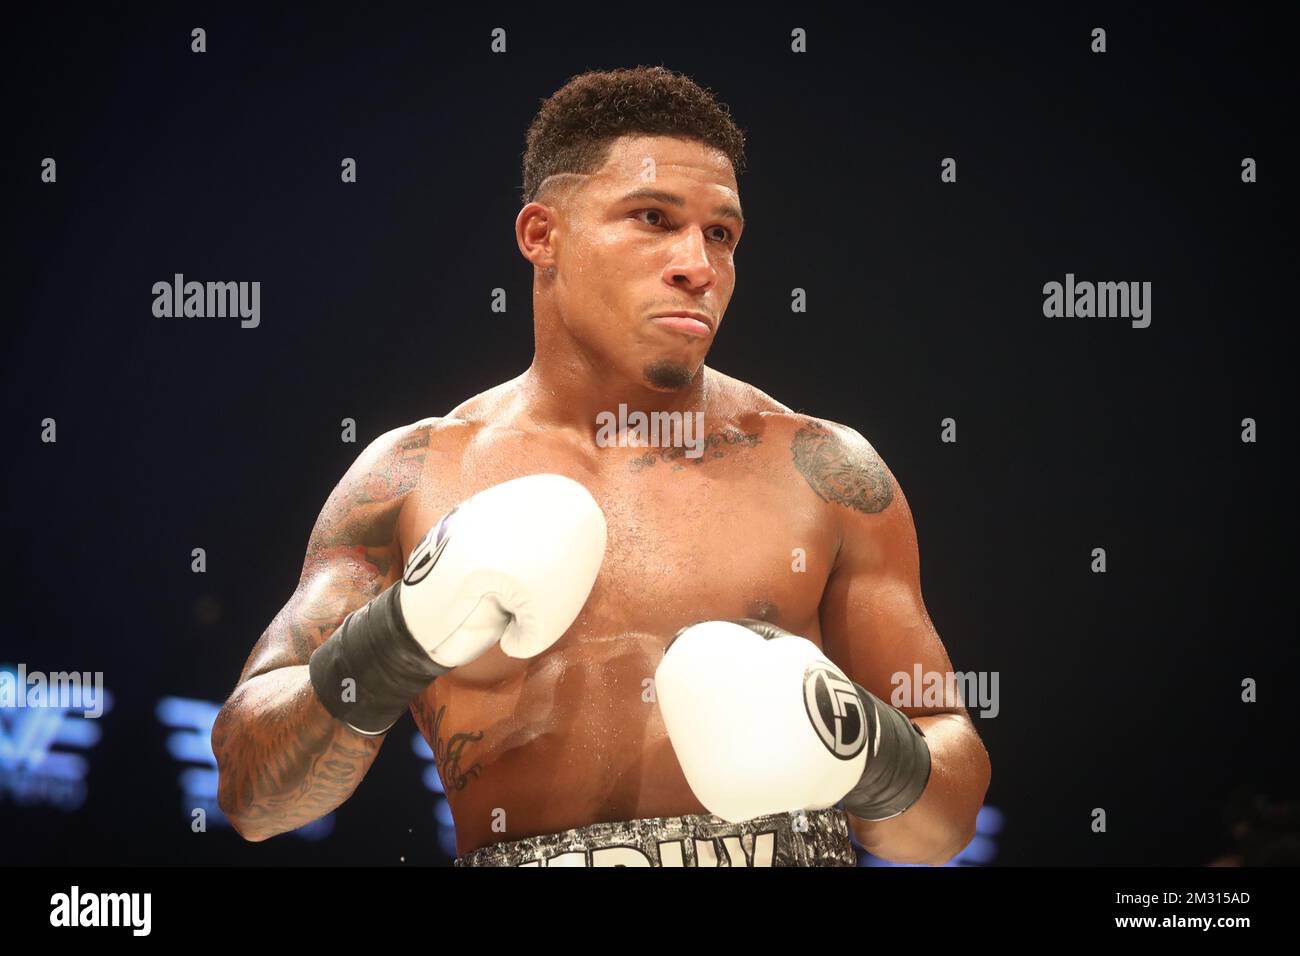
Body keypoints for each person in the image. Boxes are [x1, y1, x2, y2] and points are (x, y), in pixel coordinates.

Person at [212, 65, 991, 867]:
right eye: (653, 218)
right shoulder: (414, 477)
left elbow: (947, 819)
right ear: (541, 236)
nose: (699, 263)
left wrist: (865, 751)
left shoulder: (821, 470)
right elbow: (251, 794)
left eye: (721, 234)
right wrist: (397, 637)